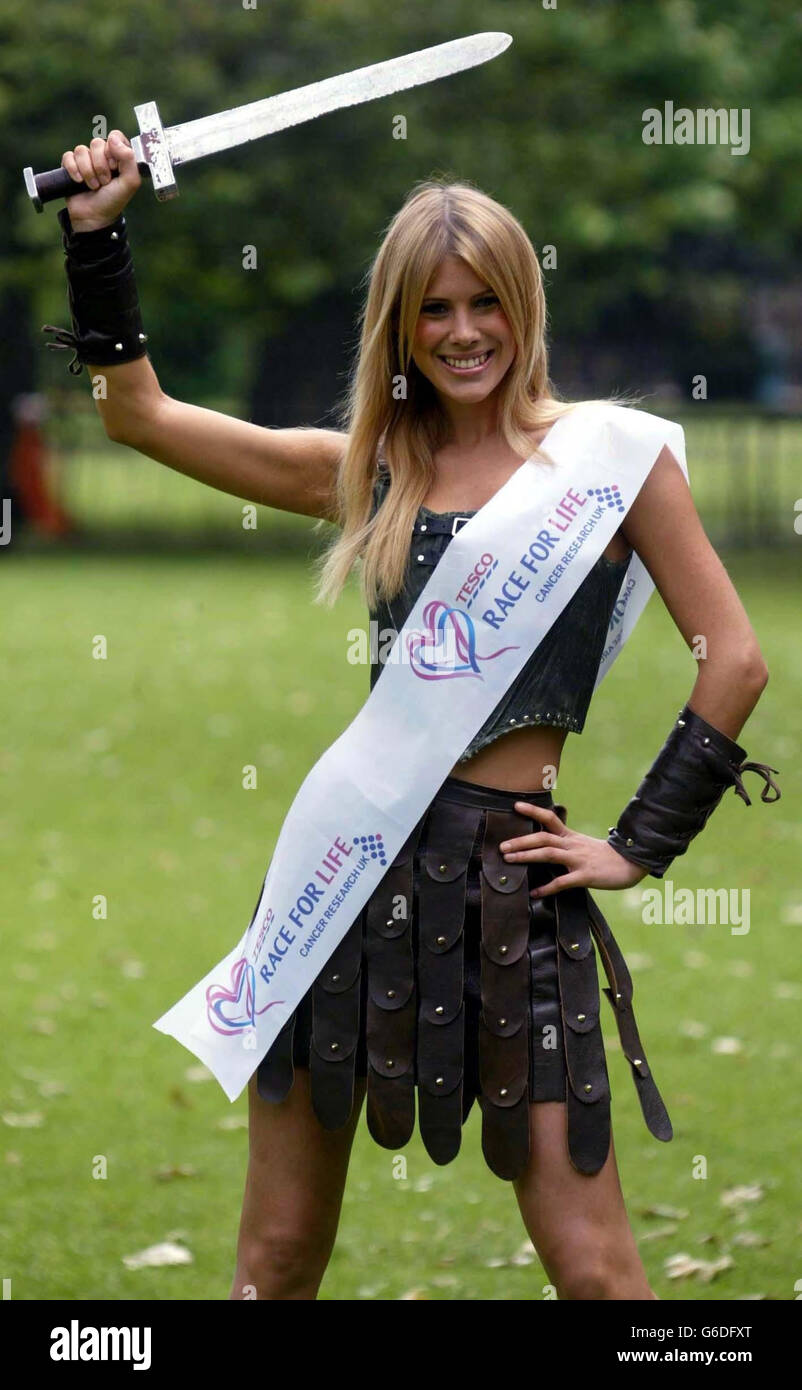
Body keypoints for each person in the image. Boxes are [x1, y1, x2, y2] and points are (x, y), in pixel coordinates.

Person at [48, 131, 780, 1302]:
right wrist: (98, 238)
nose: (462, 331)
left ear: (522, 305)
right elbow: (138, 417)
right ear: (400, 325)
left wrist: (637, 846)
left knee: (599, 1274)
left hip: (516, 879)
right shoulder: (371, 473)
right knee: (276, 1260)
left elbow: (732, 657)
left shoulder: (614, 463)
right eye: (433, 308)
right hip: (346, 873)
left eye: (485, 301)